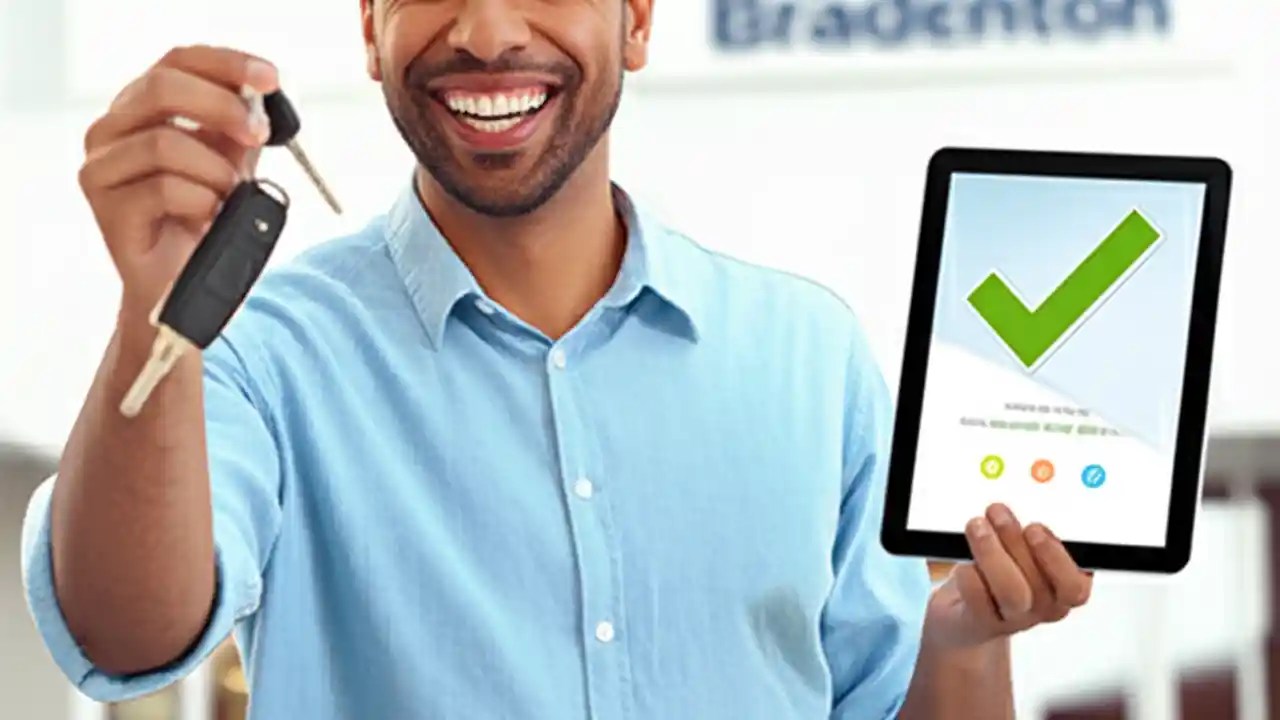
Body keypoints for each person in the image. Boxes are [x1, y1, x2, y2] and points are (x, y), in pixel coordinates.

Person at [20, 1, 1093, 718]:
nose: (487, 32)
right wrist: (151, 312)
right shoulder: (263, 359)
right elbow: (125, 632)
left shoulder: (807, 357)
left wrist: (960, 640)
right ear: (369, 27)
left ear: (632, 20)